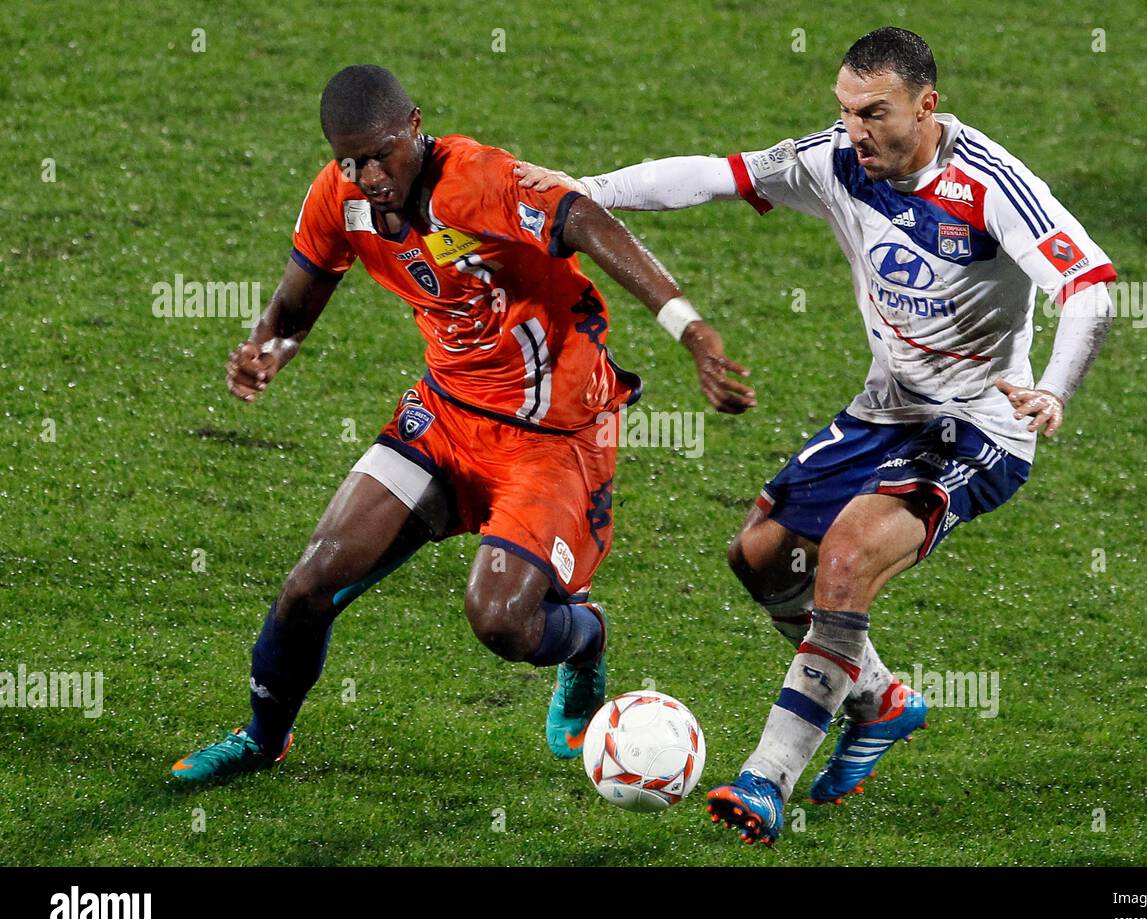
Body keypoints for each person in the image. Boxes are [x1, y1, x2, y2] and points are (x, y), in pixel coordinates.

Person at [515, 26, 1117, 844]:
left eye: (875, 113)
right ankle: (880, 702)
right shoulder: (834, 159)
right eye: (845, 110)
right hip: (886, 407)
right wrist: (582, 189)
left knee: (843, 559)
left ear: (927, 106)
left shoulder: (990, 186)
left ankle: (765, 780)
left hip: (981, 425)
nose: (856, 130)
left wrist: (1054, 388)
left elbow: (1090, 290)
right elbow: (712, 177)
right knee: (762, 559)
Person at [171, 65, 755, 783]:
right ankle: (263, 739)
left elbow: (586, 218)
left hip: (554, 438)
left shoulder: (476, 180)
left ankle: (585, 640)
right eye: (349, 159)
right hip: (445, 417)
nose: (368, 174)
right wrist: (268, 350)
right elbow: (298, 297)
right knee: (309, 584)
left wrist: (691, 331)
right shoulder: (341, 197)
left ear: (414, 124)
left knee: (502, 621)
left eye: (381, 153)